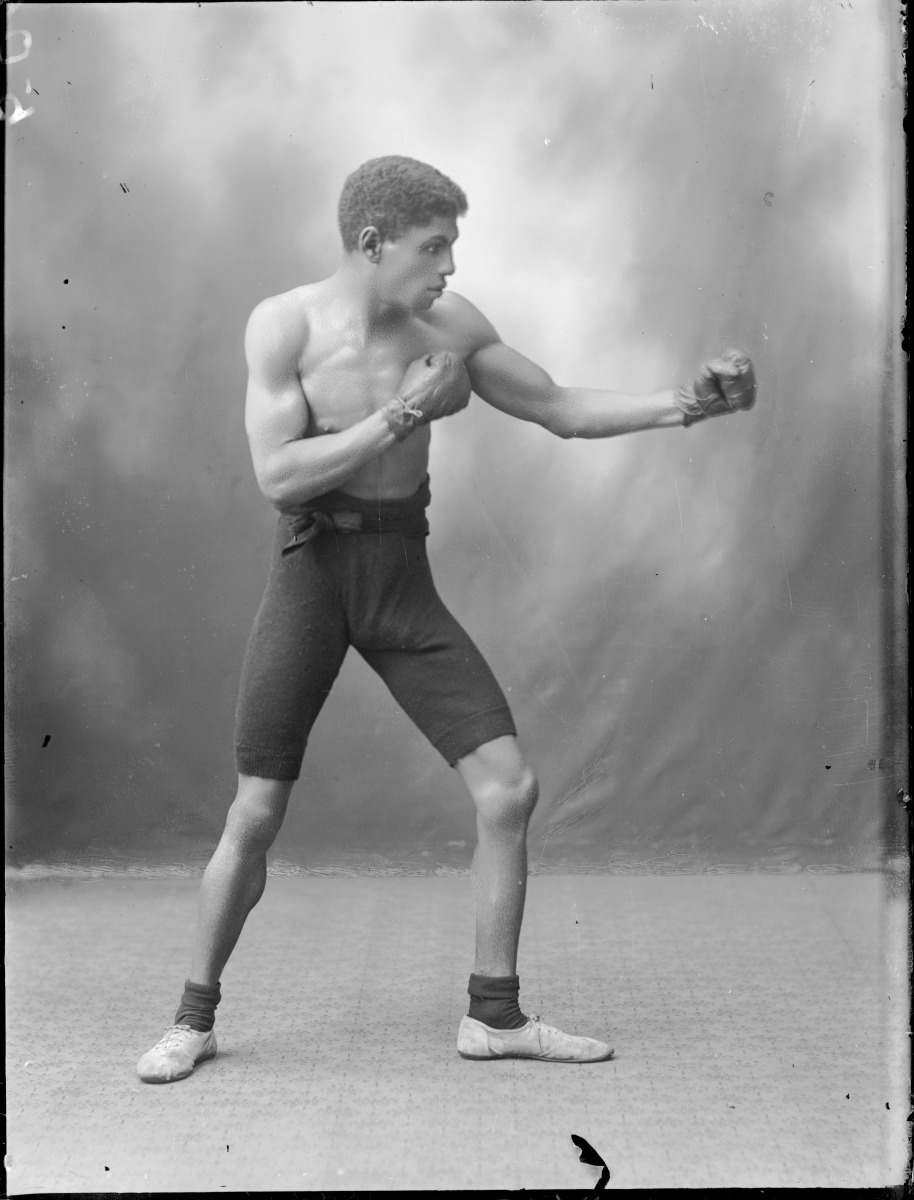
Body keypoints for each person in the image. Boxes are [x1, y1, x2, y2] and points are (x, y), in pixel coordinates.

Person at [137, 155, 756, 1083]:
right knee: (256, 811)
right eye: (434, 246)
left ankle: (494, 1016)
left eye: (454, 246)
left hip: (401, 582)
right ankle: (193, 1019)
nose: (450, 267)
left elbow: (558, 408)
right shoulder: (285, 325)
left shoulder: (452, 325)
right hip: (314, 576)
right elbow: (278, 478)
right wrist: (402, 412)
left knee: (509, 789)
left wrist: (687, 406)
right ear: (371, 242)